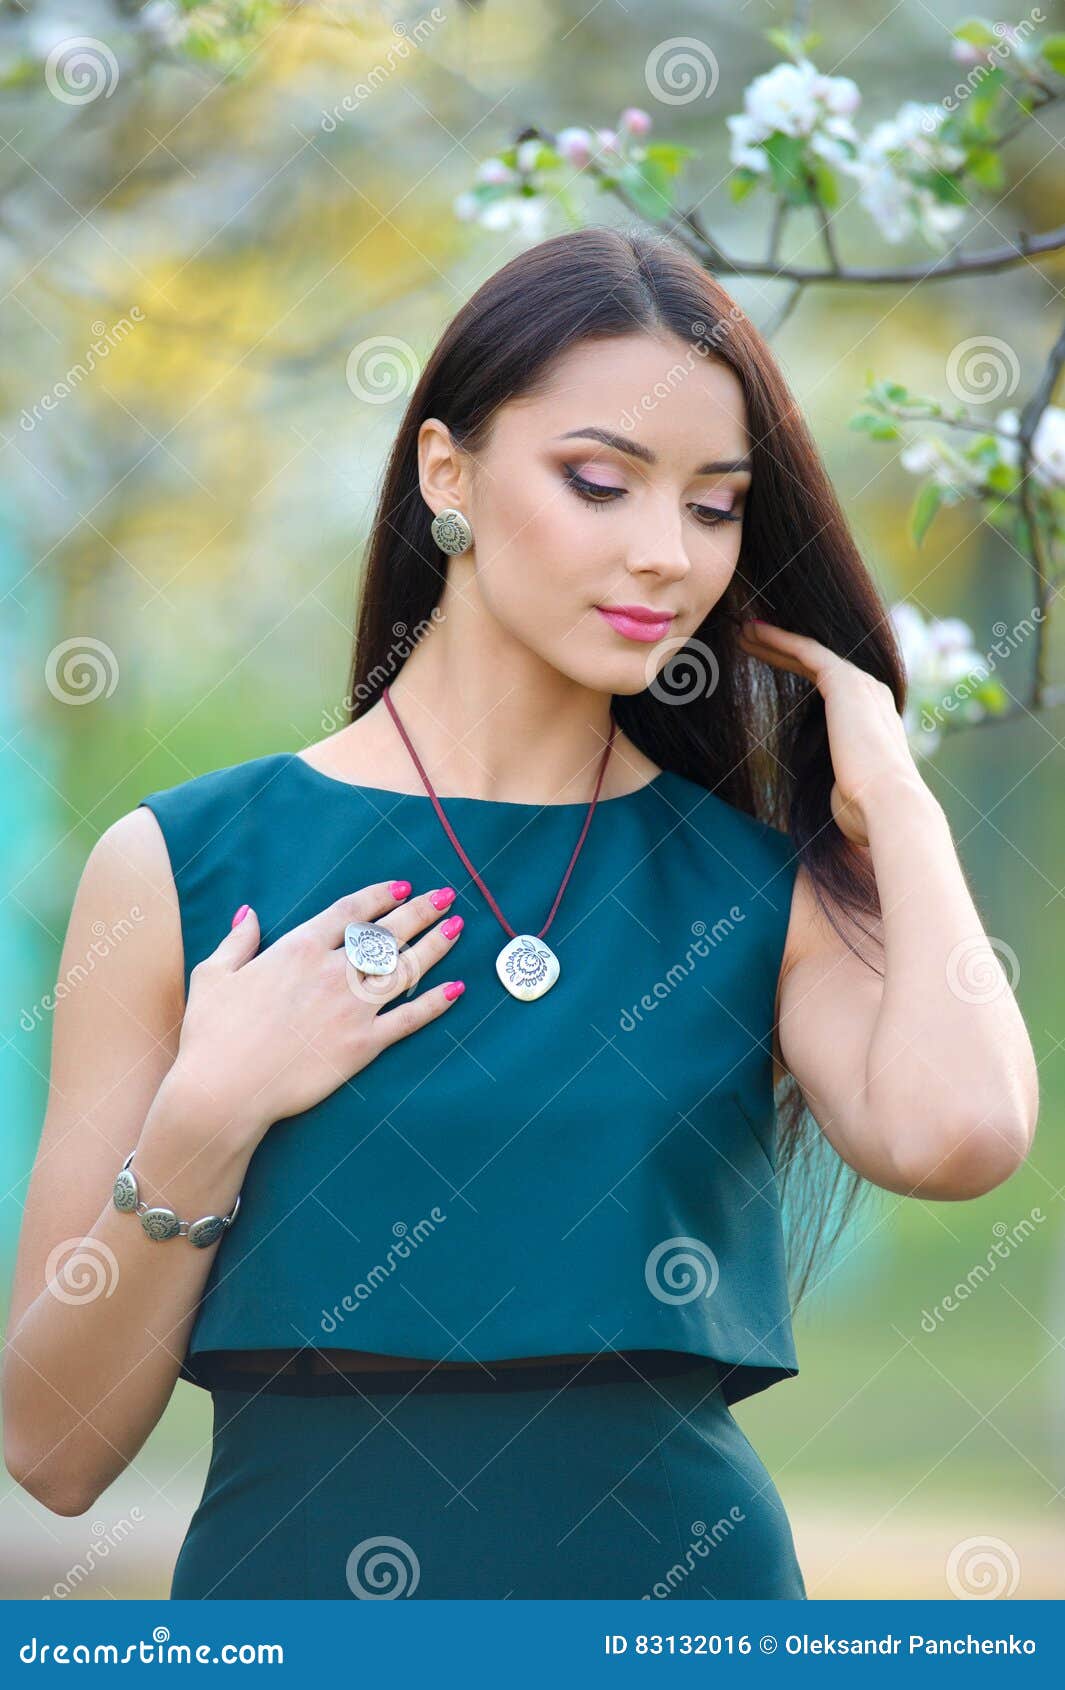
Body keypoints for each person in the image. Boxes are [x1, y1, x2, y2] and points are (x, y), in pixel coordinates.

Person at [3, 227, 1037, 1600]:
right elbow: (51, 1447)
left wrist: (896, 803)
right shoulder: (180, 865)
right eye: (599, 483)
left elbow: (961, 1134)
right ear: (449, 473)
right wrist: (206, 1117)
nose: (664, 554)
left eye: (714, 506)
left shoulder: (753, 888)